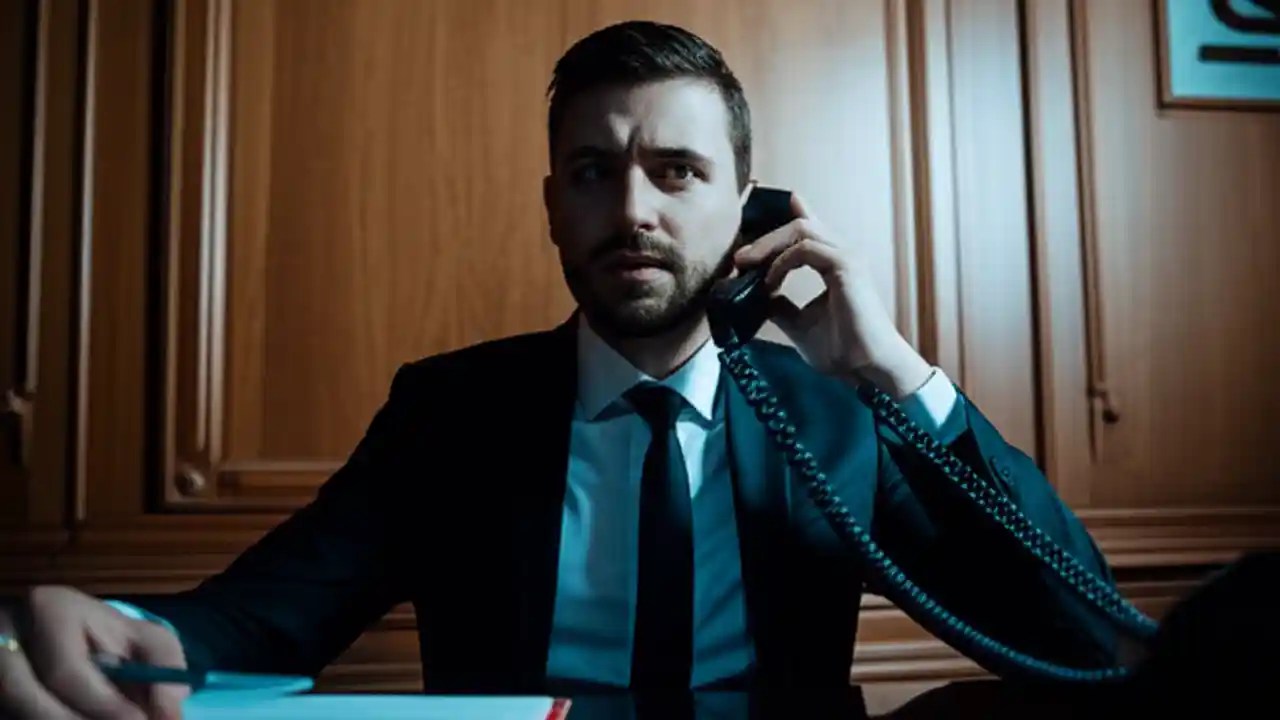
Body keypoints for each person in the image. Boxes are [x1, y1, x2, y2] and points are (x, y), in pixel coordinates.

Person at [0, 20, 1122, 720]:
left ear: (750, 210)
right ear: (553, 208)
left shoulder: (833, 416)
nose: (629, 210)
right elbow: (265, 617)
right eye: (593, 171)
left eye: (675, 171)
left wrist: (895, 373)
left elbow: (1080, 639)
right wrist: (108, 636)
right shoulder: (449, 412)